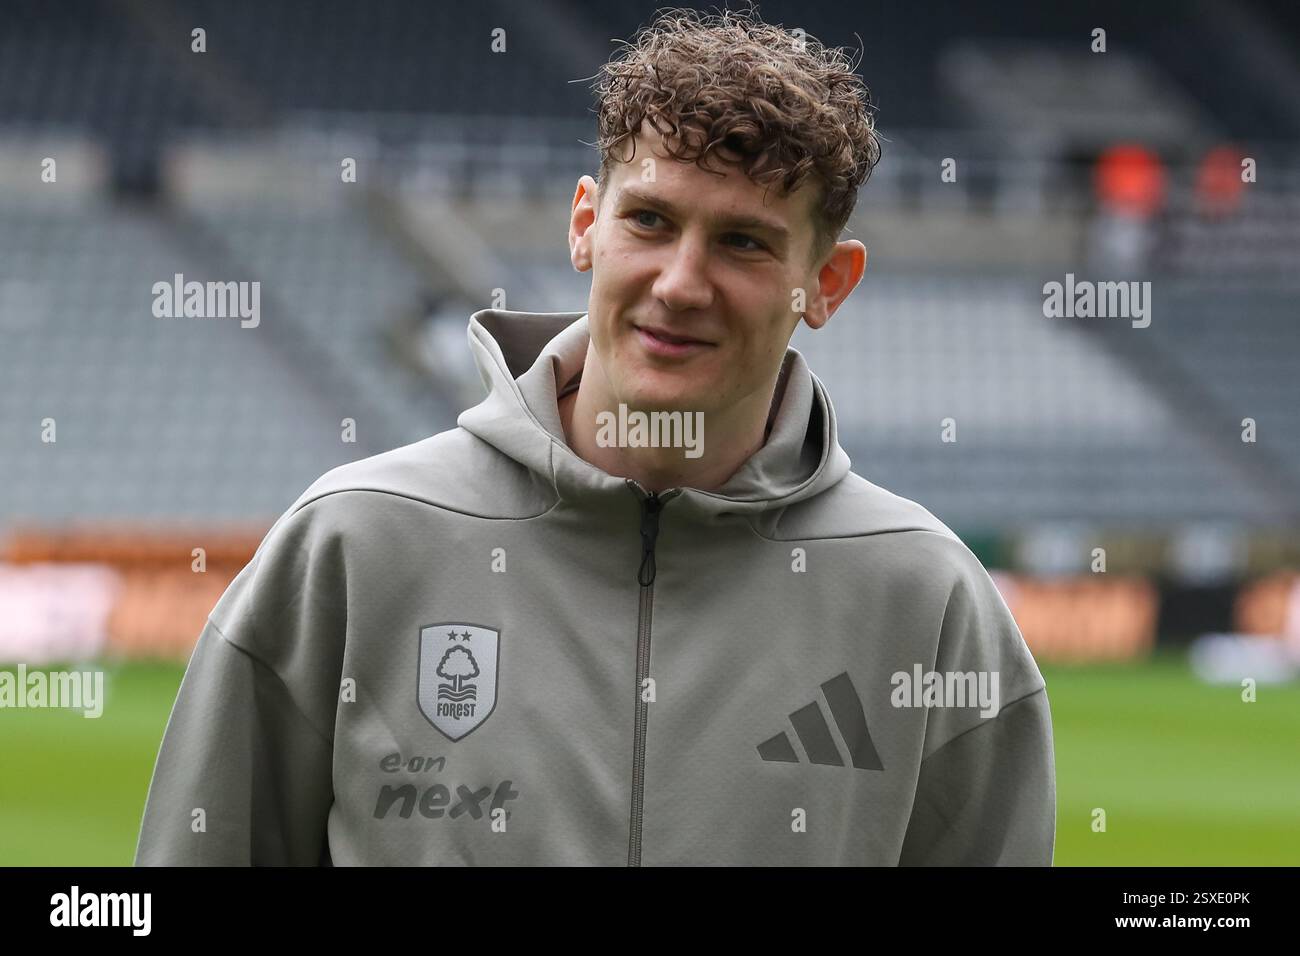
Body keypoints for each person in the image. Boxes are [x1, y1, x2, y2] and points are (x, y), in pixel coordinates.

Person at [135, 6, 1055, 867]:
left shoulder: (927, 602)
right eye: (649, 221)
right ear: (586, 224)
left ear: (827, 284)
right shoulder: (354, 543)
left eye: (744, 244)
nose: (681, 283)